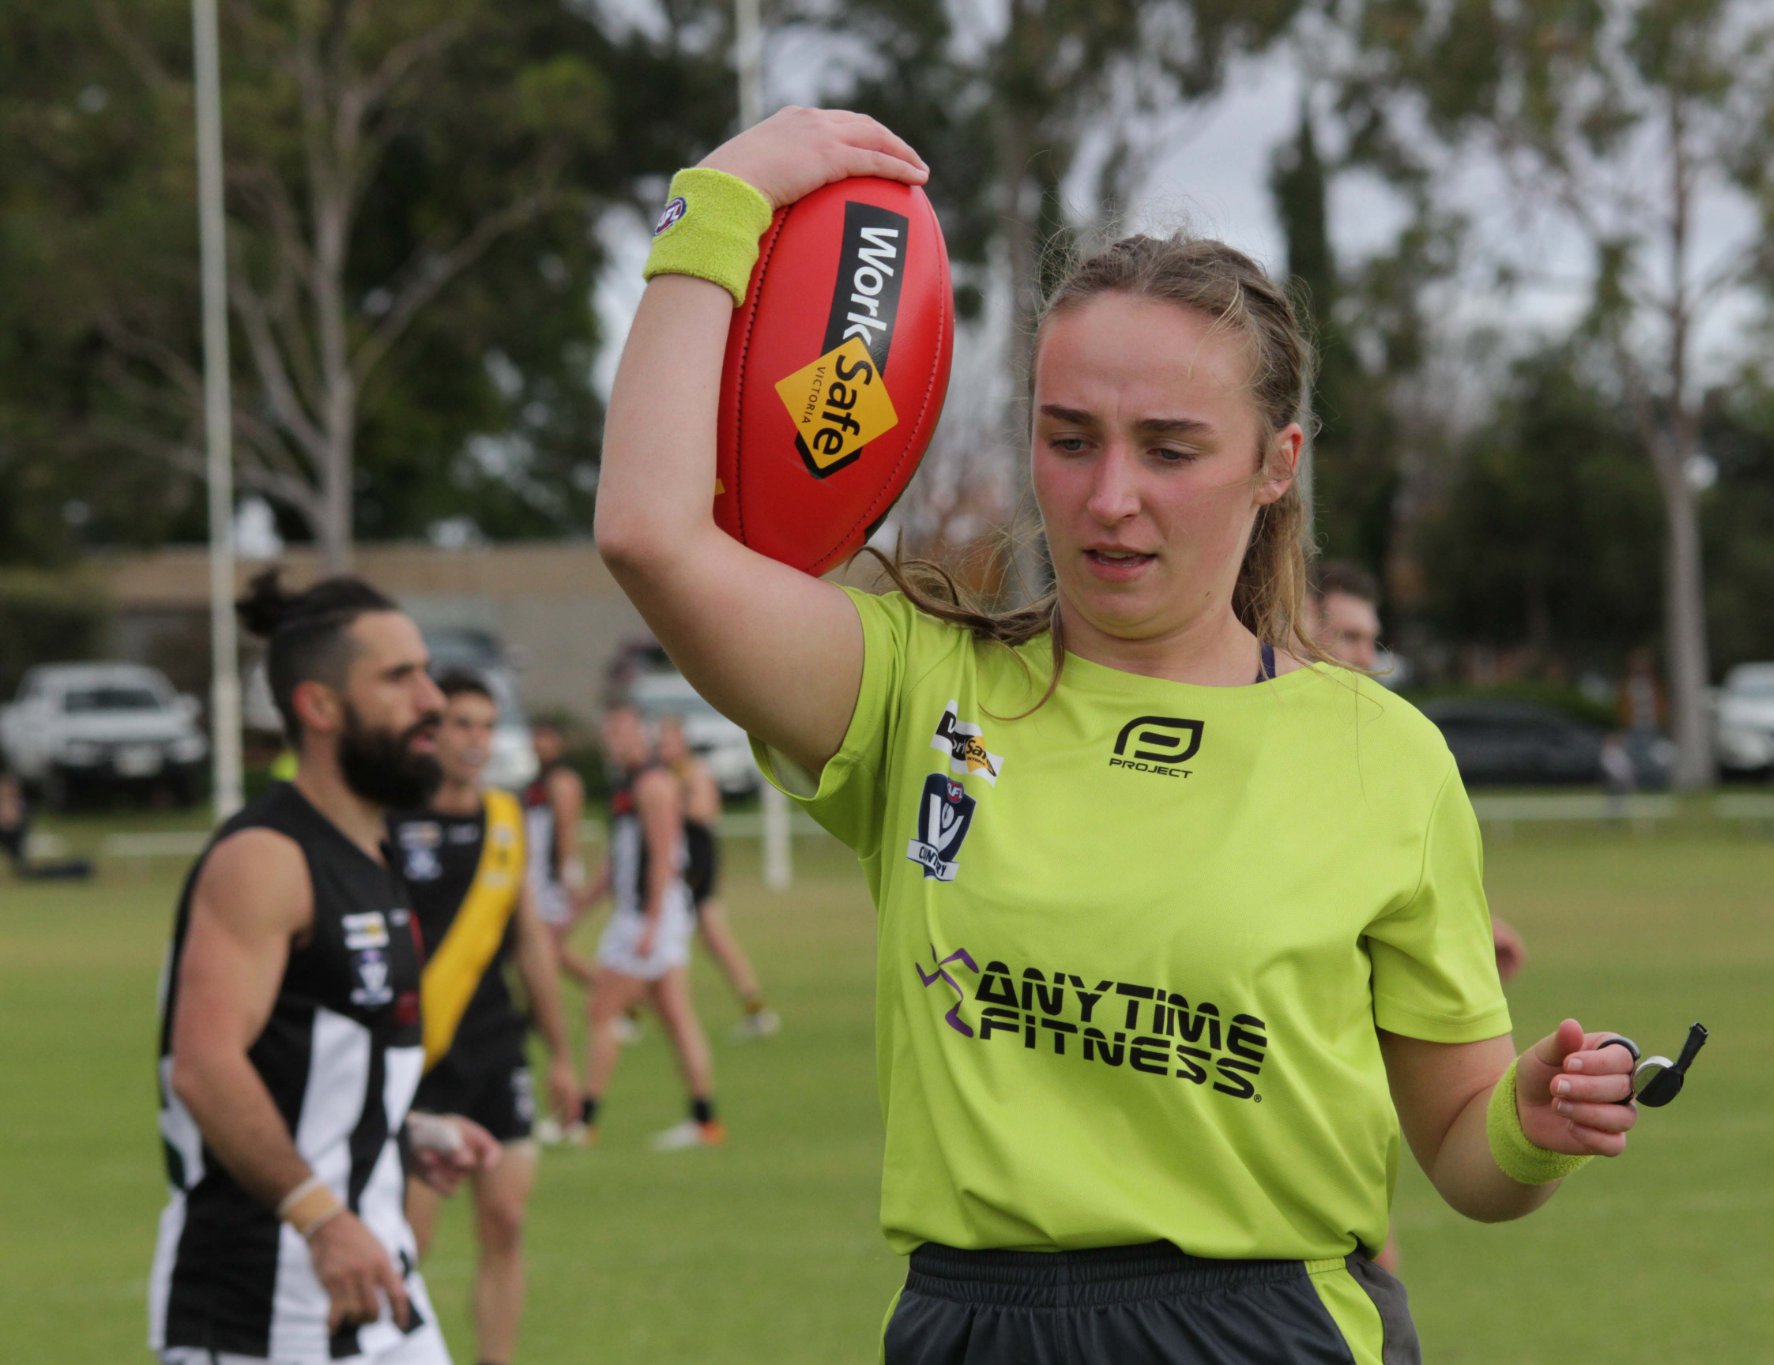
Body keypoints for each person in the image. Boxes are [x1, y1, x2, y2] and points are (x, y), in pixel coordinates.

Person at [595, 107, 1640, 1363]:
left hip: (1261, 1331)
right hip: (968, 1327)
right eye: (1068, 438)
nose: (1110, 498)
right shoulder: (916, 692)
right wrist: (716, 204)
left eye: (1171, 448)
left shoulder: (1383, 756)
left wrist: (1528, 1120)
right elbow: (651, 534)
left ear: (1275, 464)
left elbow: (1464, 1152)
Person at [150, 570, 499, 1365]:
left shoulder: (371, 849)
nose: (431, 700)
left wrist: (399, 1126)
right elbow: (204, 1066)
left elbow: (306, 1057)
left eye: (426, 672)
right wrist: (322, 1216)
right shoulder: (266, 859)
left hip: (379, 1287)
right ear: (319, 706)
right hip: (264, 1310)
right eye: (399, 677)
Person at [392, 671, 581, 1365]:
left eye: (484, 725)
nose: (475, 739)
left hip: (497, 1050)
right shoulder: (390, 818)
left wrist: (561, 1051)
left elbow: (529, 940)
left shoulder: (505, 820)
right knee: (409, 1239)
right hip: (416, 1060)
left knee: (506, 1221)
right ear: (432, 732)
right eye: (460, 723)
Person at [1309, 560, 1526, 985]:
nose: (1368, 658)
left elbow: (1393, 862)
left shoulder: (1377, 747)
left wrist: (1472, 924)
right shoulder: (1265, 736)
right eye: (1349, 637)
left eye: (1373, 640)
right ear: (1292, 627)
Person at [575, 706, 723, 1149]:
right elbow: (618, 859)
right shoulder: (629, 785)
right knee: (677, 1019)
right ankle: (705, 1121)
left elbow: (664, 856)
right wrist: (578, 907)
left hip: (647, 917)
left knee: (601, 1012)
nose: (613, 740)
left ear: (640, 734)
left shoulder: (654, 784)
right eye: (608, 732)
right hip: (645, 916)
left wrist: (651, 924)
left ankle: (583, 1122)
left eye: (621, 731)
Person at [656, 714, 780, 1040]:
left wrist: (670, 803)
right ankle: (633, 1011)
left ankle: (758, 1010)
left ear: (681, 742)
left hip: (698, 861)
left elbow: (706, 812)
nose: (663, 746)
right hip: (676, 860)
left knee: (705, 936)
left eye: (668, 739)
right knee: (680, 936)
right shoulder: (662, 774)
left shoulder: (694, 771)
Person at [520, 721, 595, 989]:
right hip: (537, 875)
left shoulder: (561, 780)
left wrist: (568, 876)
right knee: (547, 947)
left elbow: (566, 831)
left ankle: (613, 998)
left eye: (547, 738)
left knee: (544, 946)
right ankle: (613, 997)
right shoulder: (535, 781)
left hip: (554, 878)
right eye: (536, 737)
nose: (540, 744)